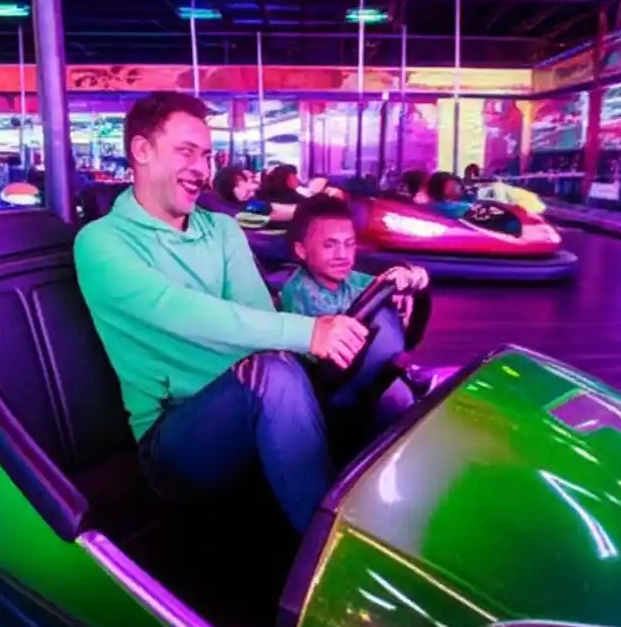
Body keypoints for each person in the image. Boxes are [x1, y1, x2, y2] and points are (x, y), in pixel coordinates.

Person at [75, 92, 379, 534]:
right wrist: (309, 332)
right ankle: (330, 550)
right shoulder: (101, 242)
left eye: (206, 155)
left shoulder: (220, 229)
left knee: (340, 385)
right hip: (172, 438)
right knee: (273, 375)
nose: (201, 169)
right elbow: (182, 313)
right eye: (186, 152)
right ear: (142, 150)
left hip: (245, 401)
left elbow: (254, 315)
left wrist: (348, 326)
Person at [279, 194, 433, 415]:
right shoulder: (299, 291)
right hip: (327, 389)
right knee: (398, 400)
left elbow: (380, 285)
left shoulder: (348, 279)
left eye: (349, 244)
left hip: (361, 378)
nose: (342, 255)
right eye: (329, 245)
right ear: (301, 250)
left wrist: (406, 280)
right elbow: (334, 350)